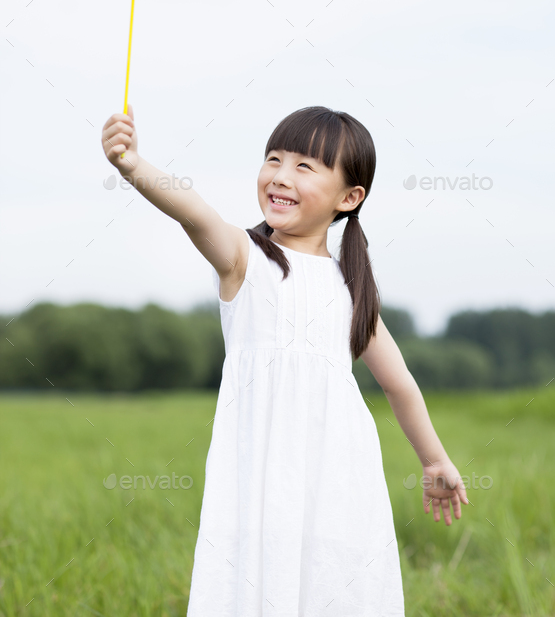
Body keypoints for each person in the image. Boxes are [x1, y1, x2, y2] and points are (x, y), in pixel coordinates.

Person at [102, 103, 468, 616]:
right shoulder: (242, 259)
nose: (280, 175)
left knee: (335, 586)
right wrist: (133, 166)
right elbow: (194, 210)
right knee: (256, 586)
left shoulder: (352, 290)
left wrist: (434, 460)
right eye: (274, 158)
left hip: (340, 476)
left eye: (304, 166)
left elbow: (400, 385)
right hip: (260, 476)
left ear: (349, 197)